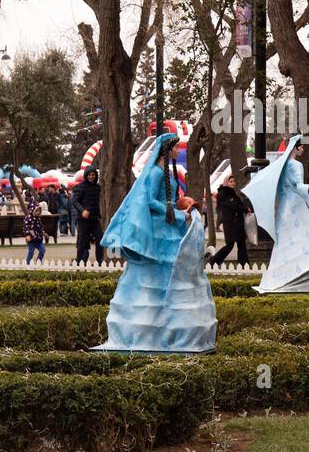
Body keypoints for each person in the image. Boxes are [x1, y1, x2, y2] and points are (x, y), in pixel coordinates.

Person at [92, 133, 216, 352]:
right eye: (176, 148)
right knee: (163, 268)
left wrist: (179, 210)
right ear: (167, 150)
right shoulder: (156, 173)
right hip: (160, 228)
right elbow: (150, 201)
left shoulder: (165, 171)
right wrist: (176, 214)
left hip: (167, 225)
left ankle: (168, 320)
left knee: (171, 268)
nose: (179, 151)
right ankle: (156, 320)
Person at [240, 137, 309, 293]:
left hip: (284, 208)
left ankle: (282, 277)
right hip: (295, 206)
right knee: (304, 236)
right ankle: (305, 270)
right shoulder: (296, 165)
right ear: (295, 148)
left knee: (285, 241)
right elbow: (298, 186)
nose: (303, 149)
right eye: (301, 147)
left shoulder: (282, 166)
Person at [210, 173, 249, 266]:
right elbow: (234, 205)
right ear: (226, 183)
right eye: (230, 181)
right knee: (230, 245)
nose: (233, 183)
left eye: (234, 181)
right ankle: (213, 262)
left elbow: (237, 205)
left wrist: (245, 209)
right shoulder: (224, 194)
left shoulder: (232, 193)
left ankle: (244, 265)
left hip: (237, 223)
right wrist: (245, 209)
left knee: (241, 244)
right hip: (231, 225)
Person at [72, 165, 104, 264]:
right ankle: (78, 261)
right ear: (86, 176)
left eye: (93, 175)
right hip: (83, 220)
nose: (91, 177)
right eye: (89, 175)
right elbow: (74, 201)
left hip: (94, 219)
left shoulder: (98, 187)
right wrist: (82, 211)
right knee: (82, 242)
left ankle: (100, 261)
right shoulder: (79, 187)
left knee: (100, 239)